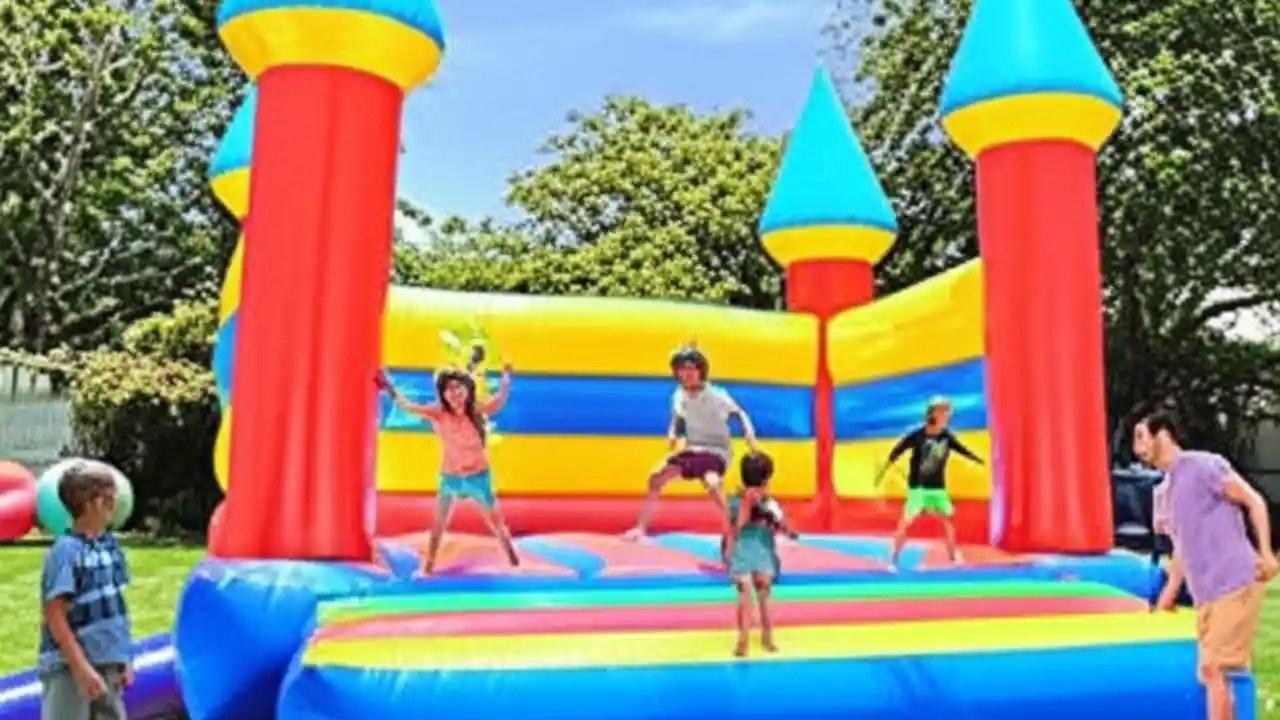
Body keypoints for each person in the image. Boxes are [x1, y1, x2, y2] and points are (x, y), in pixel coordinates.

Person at [1135, 411, 1277, 720]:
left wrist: (1266, 553)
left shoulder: (1203, 466)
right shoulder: (1164, 493)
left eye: (1141, 436)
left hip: (1235, 579)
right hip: (1206, 594)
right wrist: (1167, 597)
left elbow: (1253, 500)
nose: (1137, 447)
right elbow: (1182, 550)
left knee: (1212, 668)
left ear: (1163, 435)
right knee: (1217, 673)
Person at [378, 360, 519, 574]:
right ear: (443, 395)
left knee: (497, 523)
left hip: (478, 476)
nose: (454, 393)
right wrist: (390, 388)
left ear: (467, 390)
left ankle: (514, 561)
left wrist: (506, 378)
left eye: (458, 387)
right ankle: (429, 567)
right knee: (438, 525)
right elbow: (408, 407)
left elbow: (499, 400)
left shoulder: (476, 411)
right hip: (451, 477)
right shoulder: (438, 414)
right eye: (449, 389)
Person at [624, 345, 760, 541]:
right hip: (693, 448)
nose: (686, 374)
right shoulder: (679, 395)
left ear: (700, 371)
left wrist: (749, 433)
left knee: (712, 483)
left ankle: (733, 527)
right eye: (682, 369)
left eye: (691, 369)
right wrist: (672, 433)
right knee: (656, 477)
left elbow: (739, 413)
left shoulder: (716, 395)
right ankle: (640, 527)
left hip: (716, 450)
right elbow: (678, 416)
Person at [39, 463, 133, 720]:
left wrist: (123, 657)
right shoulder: (66, 552)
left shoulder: (109, 548)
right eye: (109, 498)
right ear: (92, 504)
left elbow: (116, 605)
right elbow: (55, 614)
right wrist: (80, 668)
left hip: (108, 662)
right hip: (68, 668)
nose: (114, 505)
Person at [874, 396, 984, 571]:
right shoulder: (917, 435)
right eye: (943, 412)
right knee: (907, 523)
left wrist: (979, 461)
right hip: (918, 488)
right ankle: (892, 560)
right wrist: (883, 470)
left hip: (938, 488)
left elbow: (963, 450)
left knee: (947, 521)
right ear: (933, 413)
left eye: (947, 412)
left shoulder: (946, 436)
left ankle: (953, 556)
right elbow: (897, 451)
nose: (946, 416)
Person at [724, 451, 796, 657]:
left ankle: (767, 636)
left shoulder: (769, 503)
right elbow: (737, 527)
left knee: (764, 592)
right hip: (742, 553)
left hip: (763, 552)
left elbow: (787, 529)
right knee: (745, 593)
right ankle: (743, 639)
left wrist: (776, 517)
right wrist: (747, 503)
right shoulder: (736, 501)